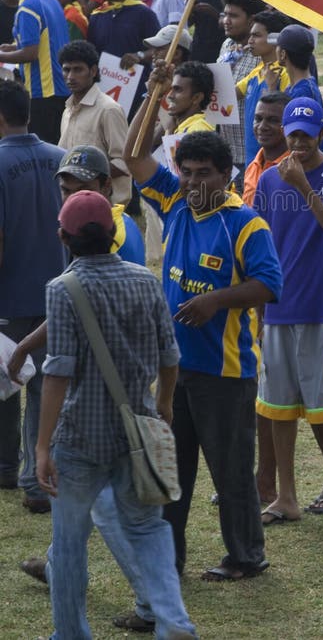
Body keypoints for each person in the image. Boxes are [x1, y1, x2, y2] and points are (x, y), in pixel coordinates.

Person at [124, 117, 282, 580]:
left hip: (224, 373)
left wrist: (215, 301)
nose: (192, 182)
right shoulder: (175, 203)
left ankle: (246, 557)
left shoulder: (245, 225)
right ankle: (169, 563)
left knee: (231, 472)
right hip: (174, 370)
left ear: (225, 175)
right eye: (186, 172)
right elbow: (133, 156)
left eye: (202, 173)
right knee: (172, 474)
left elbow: (269, 286)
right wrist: (152, 94)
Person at [36, 189, 197, 640]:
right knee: (148, 529)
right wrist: (163, 404)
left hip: (79, 438)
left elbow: (58, 373)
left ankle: (70, 633)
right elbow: (170, 354)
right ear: (113, 234)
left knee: (69, 544)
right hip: (137, 431)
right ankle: (173, 620)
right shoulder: (145, 280)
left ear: (64, 238)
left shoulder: (62, 289)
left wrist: (43, 445)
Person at [256, 97, 323, 536]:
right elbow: (262, 244)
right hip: (279, 310)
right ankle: (287, 496)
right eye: (292, 134)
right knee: (278, 408)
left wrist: (305, 187)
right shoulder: (267, 180)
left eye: (306, 133)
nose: (298, 142)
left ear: (322, 132)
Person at [0, 81, 66, 512]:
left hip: (9, 295)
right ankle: (39, 480)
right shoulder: (60, 158)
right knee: (46, 388)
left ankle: (10, 469)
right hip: (56, 293)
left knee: (5, 384)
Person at [0, 0, 70, 143]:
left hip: (43, 91)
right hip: (61, 86)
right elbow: (45, 40)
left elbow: (30, 53)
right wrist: (12, 47)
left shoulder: (26, 8)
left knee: (44, 149)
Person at [58, 40, 131, 205]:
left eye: (78, 70)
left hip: (107, 205)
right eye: (66, 69)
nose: (70, 77)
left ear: (93, 71)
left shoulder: (108, 109)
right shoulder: (67, 110)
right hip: (74, 203)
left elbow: (124, 162)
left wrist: (86, 176)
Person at [87, 0, 160, 115]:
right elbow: (91, 53)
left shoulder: (144, 14)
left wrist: (139, 56)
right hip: (103, 89)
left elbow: (160, 50)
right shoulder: (97, 16)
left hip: (136, 91)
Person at [218, 0, 264, 185]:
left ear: (251, 20)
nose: (226, 21)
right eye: (225, 14)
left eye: (234, 16)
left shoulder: (262, 53)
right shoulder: (227, 45)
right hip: (226, 149)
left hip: (251, 151)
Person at [236, 9, 289, 168]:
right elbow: (228, 96)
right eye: (250, 35)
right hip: (252, 161)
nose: (250, 41)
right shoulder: (256, 72)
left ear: (275, 39)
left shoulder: (284, 73)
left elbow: (285, 117)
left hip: (274, 163)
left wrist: (272, 87)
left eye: (256, 36)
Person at [188, 0, 226, 64]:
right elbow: (188, 22)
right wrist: (191, 11)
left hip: (219, 44)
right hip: (198, 44)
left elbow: (230, 21)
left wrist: (213, 13)